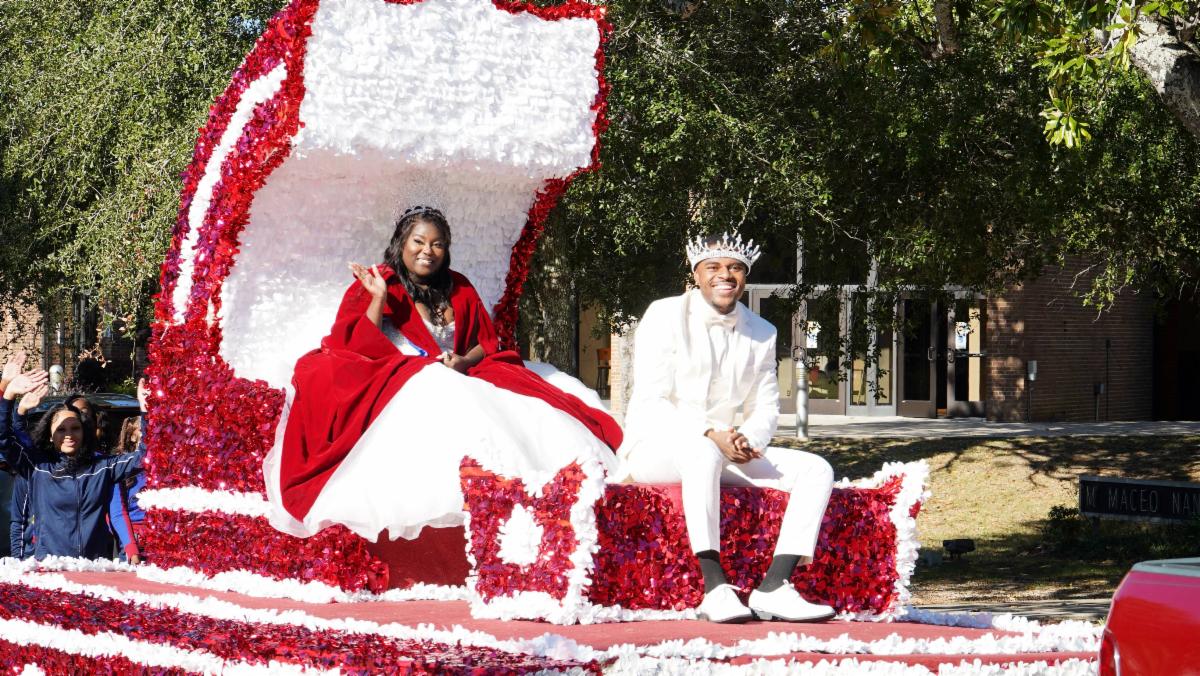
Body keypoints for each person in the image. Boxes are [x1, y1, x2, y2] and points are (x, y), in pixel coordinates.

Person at [266, 206, 623, 540]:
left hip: (457, 369)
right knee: (443, 391)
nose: (427, 251)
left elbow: (487, 340)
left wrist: (464, 362)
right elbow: (359, 345)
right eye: (418, 242)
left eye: (437, 244)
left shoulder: (459, 286)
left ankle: (530, 491)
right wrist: (376, 298)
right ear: (401, 244)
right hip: (403, 375)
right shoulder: (382, 281)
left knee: (543, 392)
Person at [619, 232, 836, 624]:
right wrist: (709, 433)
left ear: (745, 277)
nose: (725, 275)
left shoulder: (762, 331)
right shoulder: (664, 314)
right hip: (658, 447)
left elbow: (766, 403)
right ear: (697, 274)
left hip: (724, 448)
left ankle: (775, 587)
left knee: (816, 468)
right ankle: (714, 588)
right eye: (714, 268)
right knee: (702, 452)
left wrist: (749, 439)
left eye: (735, 268)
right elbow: (651, 401)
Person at [0, 371, 149, 560]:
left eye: (75, 428)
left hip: (94, 570)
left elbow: (144, 457)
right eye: (61, 429)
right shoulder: (38, 467)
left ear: (85, 432)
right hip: (50, 570)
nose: (68, 435)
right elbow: (4, 439)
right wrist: (9, 396)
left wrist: (147, 412)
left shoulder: (102, 467)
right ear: (50, 436)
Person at [108, 415, 146, 563]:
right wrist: (131, 549)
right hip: (135, 541)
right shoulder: (120, 467)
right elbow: (117, 512)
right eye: (144, 430)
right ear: (132, 437)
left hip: (164, 540)